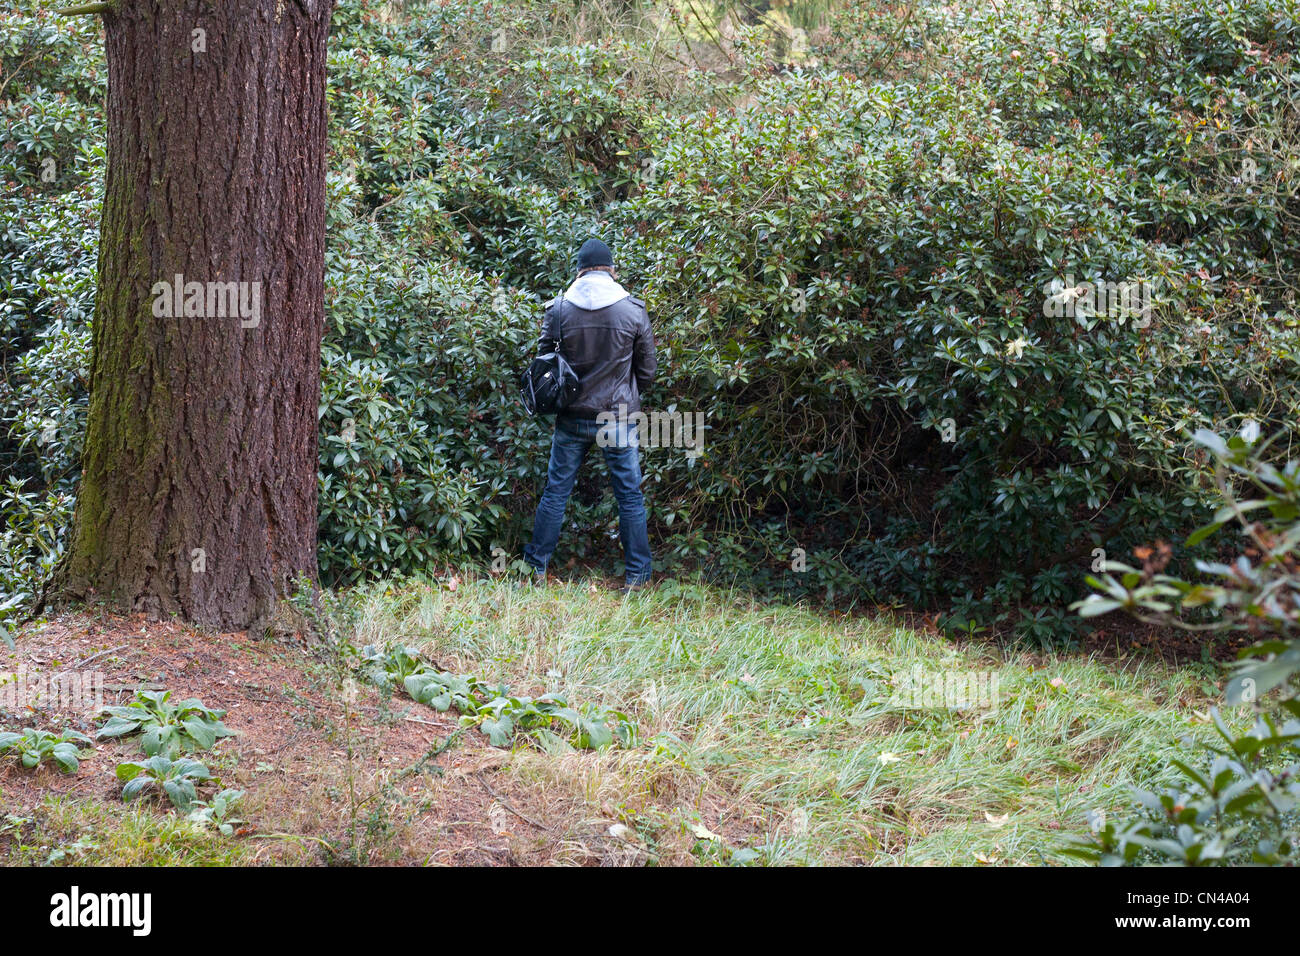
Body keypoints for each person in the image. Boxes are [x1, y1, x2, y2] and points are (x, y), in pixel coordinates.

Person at [523, 238, 656, 592]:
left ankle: (535, 570)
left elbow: (543, 365)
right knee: (629, 495)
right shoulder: (632, 309)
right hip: (618, 416)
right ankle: (637, 579)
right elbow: (648, 371)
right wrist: (628, 397)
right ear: (611, 269)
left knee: (556, 492)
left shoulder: (559, 308)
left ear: (580, 269)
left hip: (571, 416)